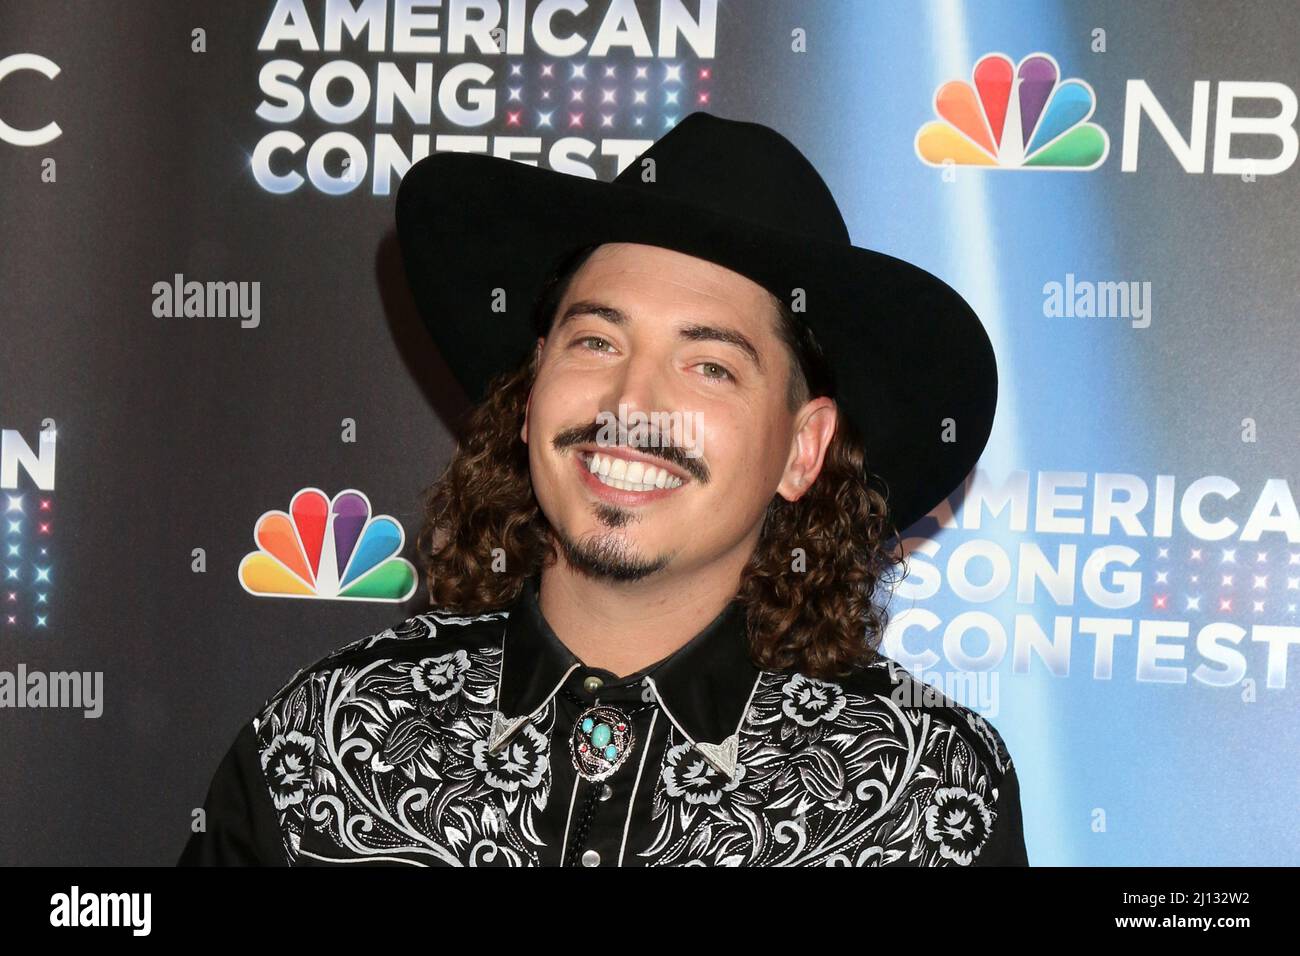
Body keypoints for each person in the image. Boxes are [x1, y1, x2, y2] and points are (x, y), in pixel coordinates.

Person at [178, 110, 1026, 867]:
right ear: (531, 390)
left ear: (803, 450)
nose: (631, 405)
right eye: (595, 343)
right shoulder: (327, 741)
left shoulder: (932, 798)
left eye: (710, 366)